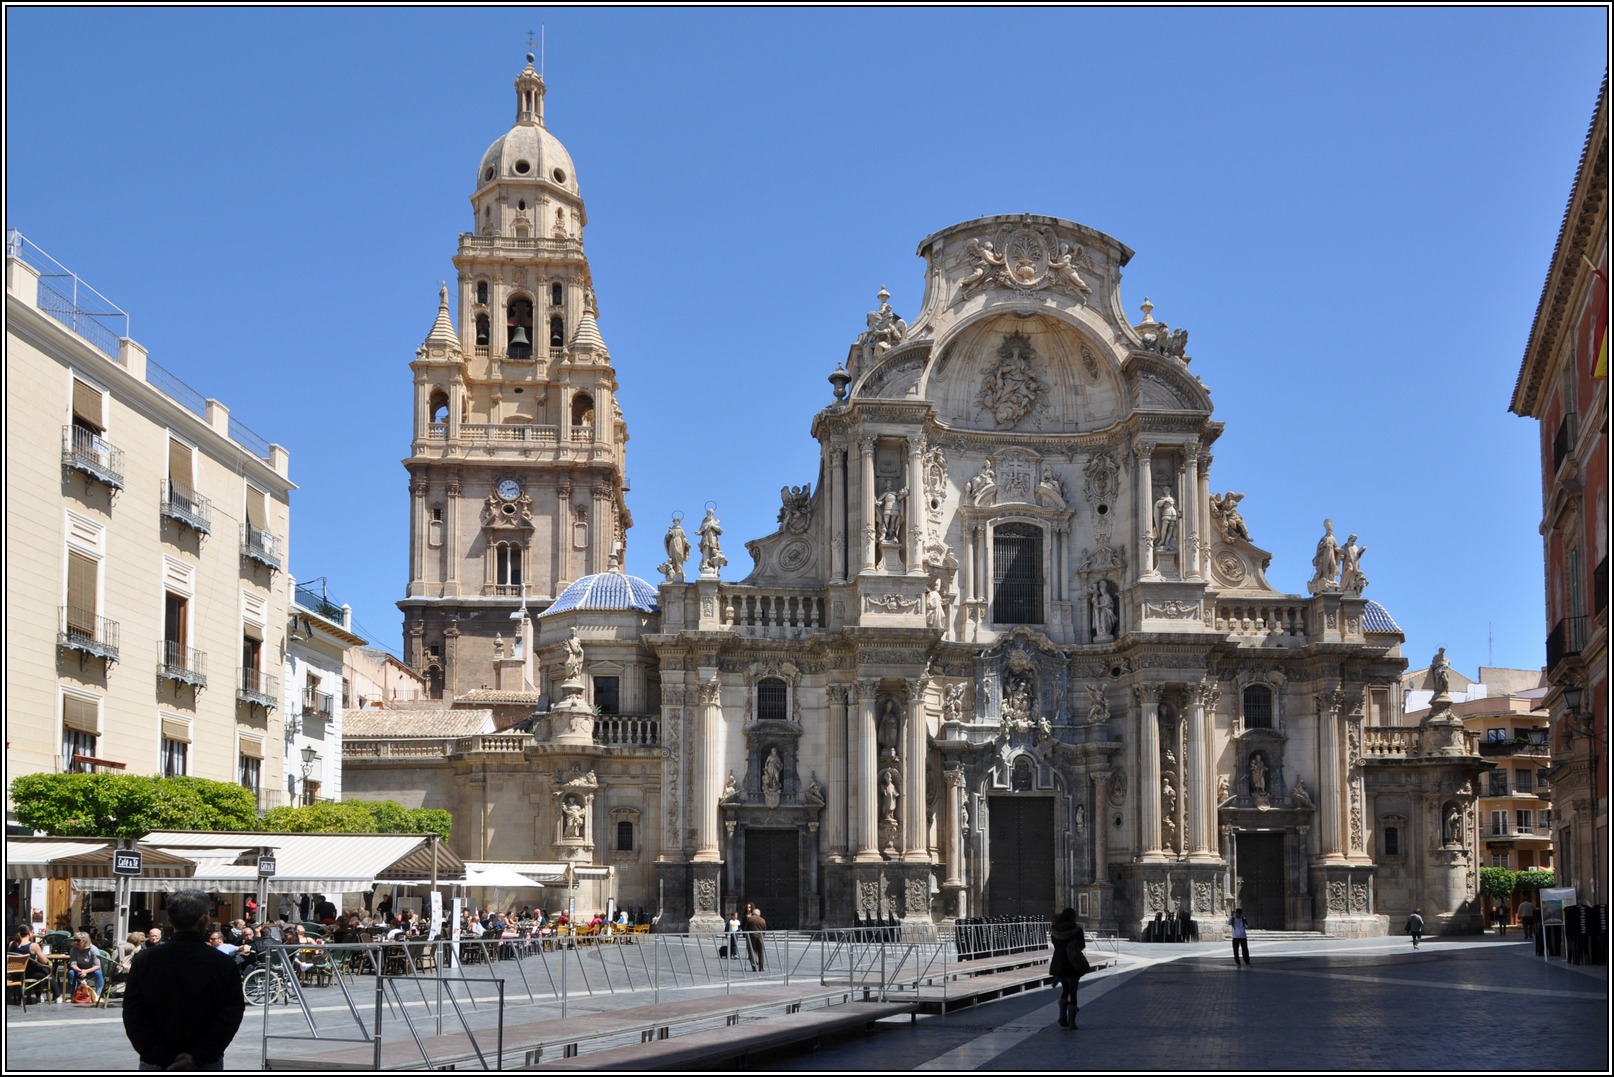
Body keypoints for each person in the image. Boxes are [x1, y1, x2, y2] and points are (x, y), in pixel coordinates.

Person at [123, 888, 246, 1070]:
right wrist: (200, 1055)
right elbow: (231, 1015)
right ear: (205, 919)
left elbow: (134, 1013)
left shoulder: (145, 960)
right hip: (205, 1062)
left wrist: (161, 1055)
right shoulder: (222, 963)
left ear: (170, 920)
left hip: (156, 1060)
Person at [1048, 908, 1088, 1030]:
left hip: (1059, 962)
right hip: (1073, 963)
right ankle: (1072, 1021)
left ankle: (1062, 1017)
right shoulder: (1076, 930)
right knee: (1073, 991)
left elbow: (1054, 944)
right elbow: (1082, 945)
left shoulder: (1055, 930)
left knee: (1065, 989)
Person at [10, 926, 60, 1003]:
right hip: (29, 974)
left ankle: (39, 996)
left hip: (15, 974)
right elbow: (44, 961)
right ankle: (57, 996)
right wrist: (48, 963)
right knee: (48, 972)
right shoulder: (33, 946)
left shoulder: (11, 944)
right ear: (29, 933)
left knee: (38, 969)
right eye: (32, 932)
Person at [67, 931, 104, 1002]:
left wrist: (86, 971)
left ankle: (98, 995)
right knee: (71, 973)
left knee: (98, 973)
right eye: (75, 940)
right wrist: (81, 971)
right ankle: (72, 995)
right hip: (79, 969)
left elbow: (97, 965)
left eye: (78, 940)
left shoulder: (93, 949)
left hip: (92, 969)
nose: (75, 942)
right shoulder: (74, 949)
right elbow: (73, 964)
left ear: (85, 941)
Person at [743, 903, 767, 972]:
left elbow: (746, 928)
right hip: (760, 937)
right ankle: (761, 967)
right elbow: (764, 929)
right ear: (759, 914)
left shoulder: (750, 919)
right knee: (761, 952)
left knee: (752, 952)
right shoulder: (762, 920)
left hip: (752, 936)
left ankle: (754, 967)